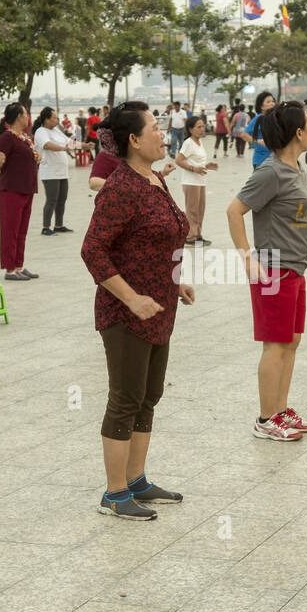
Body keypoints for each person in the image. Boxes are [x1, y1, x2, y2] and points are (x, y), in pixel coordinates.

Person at [80, 101, 192, 521]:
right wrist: (130, 297)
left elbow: (167, 236)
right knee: (125, 398)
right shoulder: (121, 185)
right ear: (133, 140)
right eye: (155, 129)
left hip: (159, 307)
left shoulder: (155, 179)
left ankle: (137, 479)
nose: (162, 134)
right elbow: (92, 250)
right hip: (125, 313)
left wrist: (176, 282)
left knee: (149, 396)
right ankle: (113, 493)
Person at [226, 101, 307, 441]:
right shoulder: (270, 171)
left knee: (291, 341)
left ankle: (281, 410)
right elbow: (234, 211)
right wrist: (248, 257)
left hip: (296, 266)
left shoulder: (295, 167)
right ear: (297, 132)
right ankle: (266, 419)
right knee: (274, 344)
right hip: (274, 269)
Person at [0, 103, 41, 280]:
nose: (28, 117)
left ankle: (19, 265)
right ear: (19, 117)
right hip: (11, 189)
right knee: (10, 230)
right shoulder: (7, 137)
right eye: (25, 114)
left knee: (21, 230)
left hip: (27, 188)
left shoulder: (24, 138)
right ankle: (9, 268)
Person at [175, 113, 217, 246]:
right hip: (190, 181)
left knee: (200, 209)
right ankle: (190, 236)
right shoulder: (188, 143)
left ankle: (198, 234)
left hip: (200, 181)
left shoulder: (200, 142)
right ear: (190, 129)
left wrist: (206, 166)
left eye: (203, 126)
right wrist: (193, 169)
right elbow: (179, 160)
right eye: (198, 127)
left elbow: (197, 162)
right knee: (192, 210)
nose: (202, 129)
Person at [34, 106, 74, 235]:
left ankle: (59, 225)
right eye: (55, 118)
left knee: (62, 199)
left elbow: (69, 142)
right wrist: (63, 148)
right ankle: (46, 227)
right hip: (50, 172)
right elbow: (47, 145)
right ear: (46, 120)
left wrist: (85, 145)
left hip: (62, 171)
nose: (57, 120)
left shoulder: (56, 131)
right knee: (52, 200)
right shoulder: (41, 132)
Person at [240, 92, 276, 170]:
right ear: (261, 106)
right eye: (268, 102)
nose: (272, 104)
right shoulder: (258, 119)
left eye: (273, 101)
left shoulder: (274, 118)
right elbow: (243, 135)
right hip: (261, 160)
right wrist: (258, 141)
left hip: (276, 160)